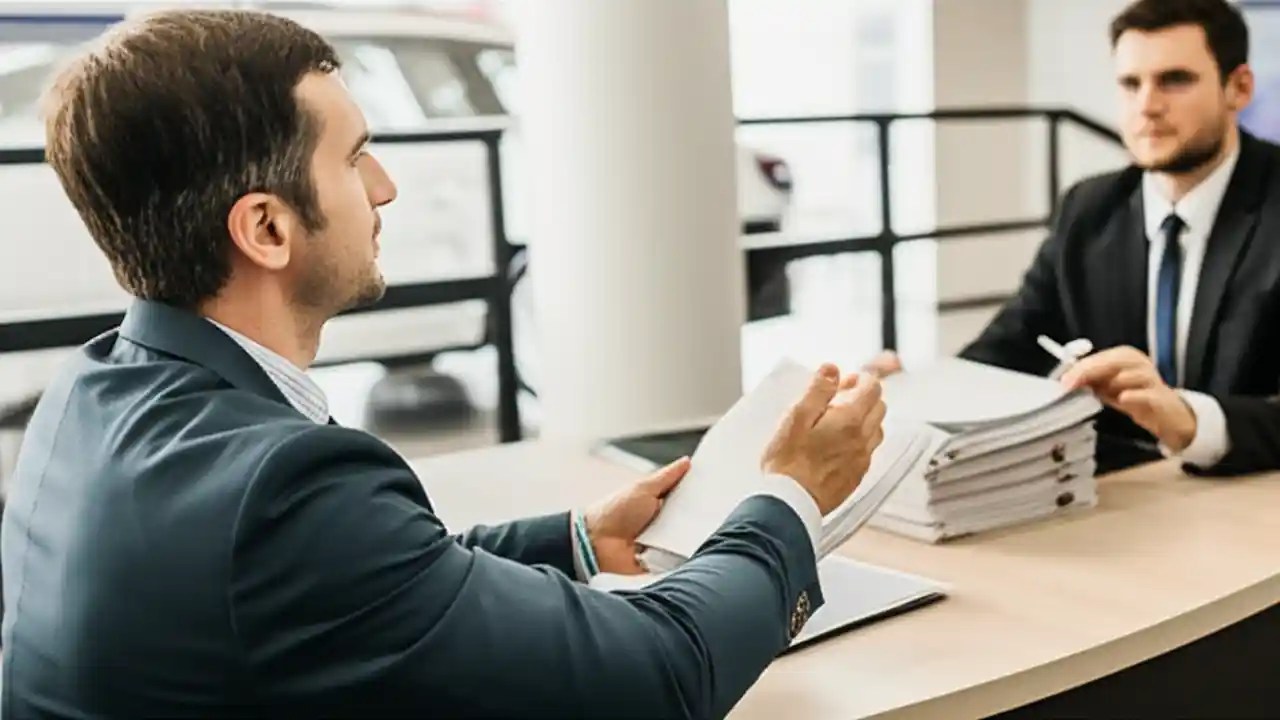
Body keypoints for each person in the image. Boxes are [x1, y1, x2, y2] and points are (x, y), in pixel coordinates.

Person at [0, 10, 888, 719]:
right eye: (353, 159)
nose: (385, 185)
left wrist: (576, 542)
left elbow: (359, 581)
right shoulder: (280, 489)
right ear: (266, 228)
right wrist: (788, 497)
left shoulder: (92, 393)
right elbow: (658, 679)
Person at [868, 0, 1280, 476]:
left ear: (1239, 87)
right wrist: (913, 390)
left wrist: (1189, 421)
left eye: (1175, 80)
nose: (1147, 105)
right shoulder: (1090, 208)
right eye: (1130, 84)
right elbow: (1011, 347)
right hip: (1114, 498)